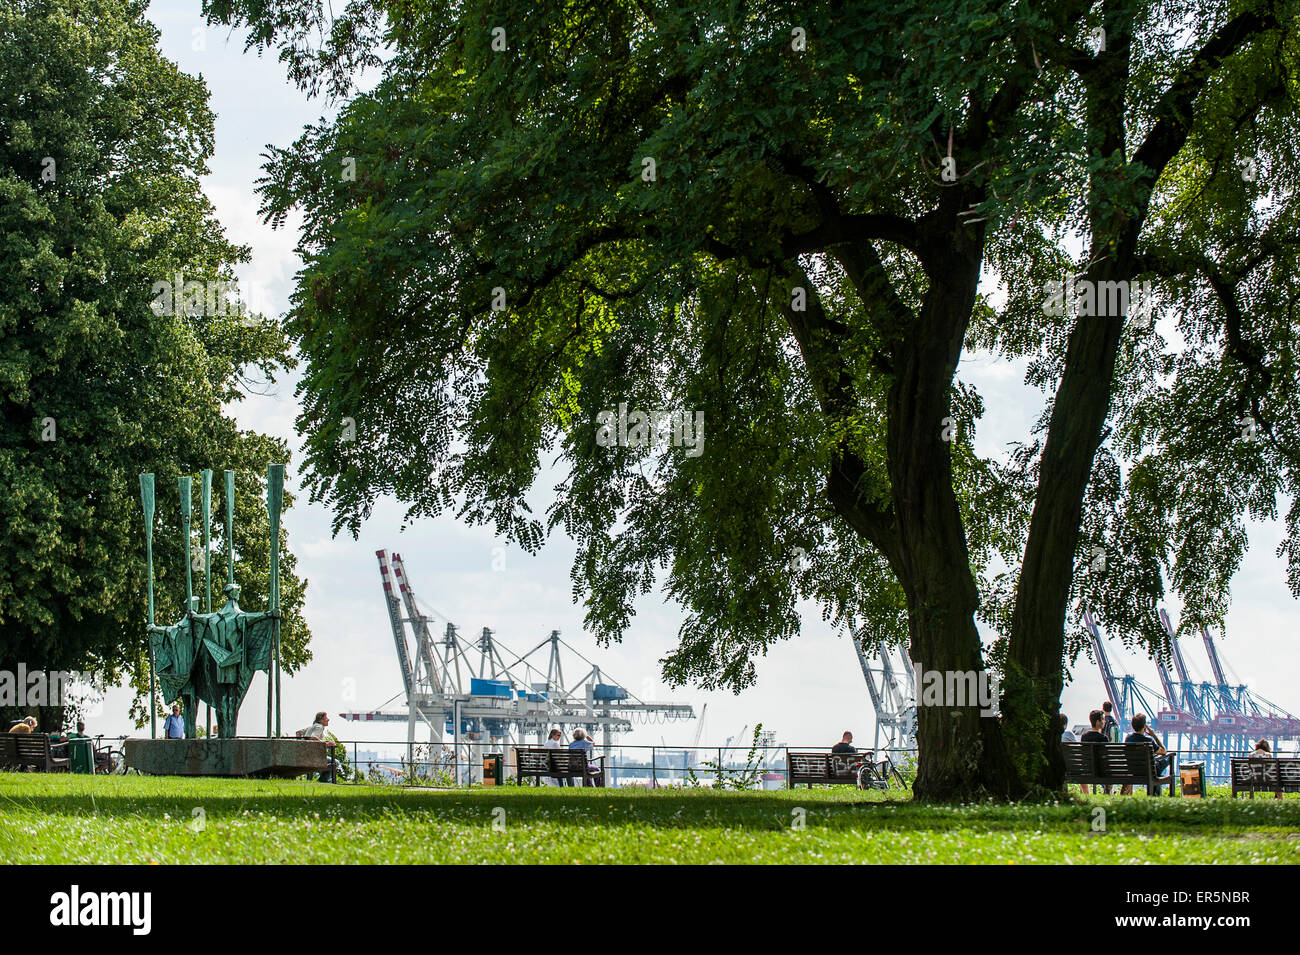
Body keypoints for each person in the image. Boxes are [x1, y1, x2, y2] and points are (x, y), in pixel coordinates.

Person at [1124, 714, 1171, 795]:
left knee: (1156, 770)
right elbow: (1164, 751)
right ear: (1144, 726)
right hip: (1148, 771)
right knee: (1168, 759)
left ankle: (1155, 791)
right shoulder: (1148, 740)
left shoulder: (1128, 739)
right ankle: (1155, 793)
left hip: (1133, 770)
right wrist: (1153, 735)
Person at [296, 712, 340, 782]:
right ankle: (323, 780)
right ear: (321, 720)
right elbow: (313, 738)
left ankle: (323, 780)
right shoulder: (319, 727)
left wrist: (301, 744)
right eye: (326, 718)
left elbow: (298, 732)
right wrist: (326, 744)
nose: (328, 719)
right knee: (335, 763)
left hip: (305, 756)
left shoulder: (311, 727)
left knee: (332, 763)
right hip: (314, 757)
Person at [1078, 709, 1111, 795]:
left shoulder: (1084, 737)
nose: (1104, 721)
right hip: (1101, 771)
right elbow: (1107, 757)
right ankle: (1108, 794)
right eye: (1102, 719)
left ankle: (1087, 795)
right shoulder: (1103, 738)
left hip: (1087, 770)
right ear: (1097, 722)